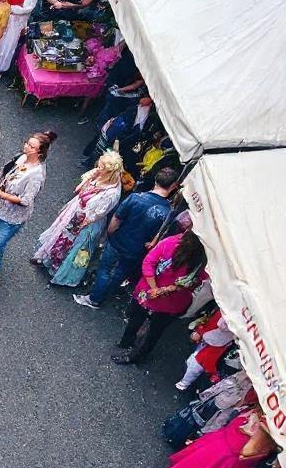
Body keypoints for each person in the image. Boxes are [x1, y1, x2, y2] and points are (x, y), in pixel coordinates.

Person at [76, 166, 179, 309]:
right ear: (173, 186)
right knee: (120, 273)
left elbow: (116, 220)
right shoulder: (169, 212)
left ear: (155, 179)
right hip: (138, 250)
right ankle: (103, 296)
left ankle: (94, 298)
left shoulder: (136, 198)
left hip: (119, 241)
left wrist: (110, 234)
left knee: (105, 269)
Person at [0, 130, 54, 292]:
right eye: (27, 143)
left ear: (39, 152)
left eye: (31, 146)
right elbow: (6, 173)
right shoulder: (21, 158)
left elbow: (25, 200)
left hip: (12, 217)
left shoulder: (36, 175)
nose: (26, 146)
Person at [114, 230, 211, 365]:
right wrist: (168, 289)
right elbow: (196, 282)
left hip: (147, 293)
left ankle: (126, 342)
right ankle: (136, 355)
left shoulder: (171, 242)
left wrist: (154, 288)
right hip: (173, 302)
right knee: (154, 331)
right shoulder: (203, 260)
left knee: (136, 318)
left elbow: (148, 262)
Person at [31, 153, 123, 286]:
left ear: (110, 171)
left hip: (87, 222)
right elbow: (79, 189)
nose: (98, 167)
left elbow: (99, 213)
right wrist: (90, 177)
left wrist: (81, 223)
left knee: (74, 247)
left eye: (102, 167)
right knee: (59, 236)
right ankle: (48, 260)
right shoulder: (99, 174)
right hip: (76, 211)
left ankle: (61, 276)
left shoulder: (112, 193)